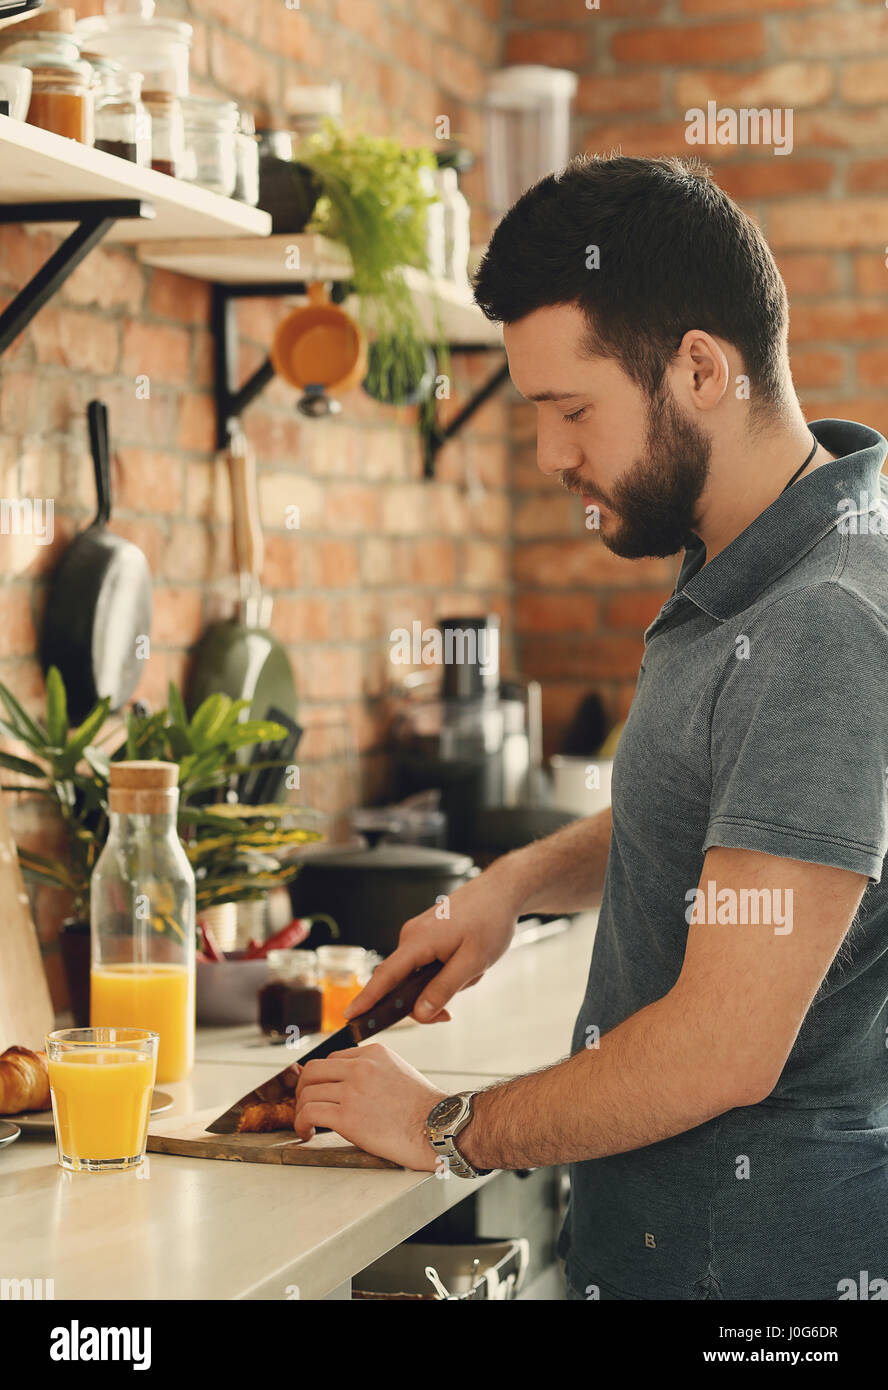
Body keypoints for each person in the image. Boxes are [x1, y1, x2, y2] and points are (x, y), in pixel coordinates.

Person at [292, 154, 888, 1301]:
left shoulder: (822, 623)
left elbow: (722, 1046)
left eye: (572, 409)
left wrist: (444, 1124)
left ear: (701, 368)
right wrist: (514, 885)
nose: (550, 455)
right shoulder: (765, 550)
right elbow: (727, 819)